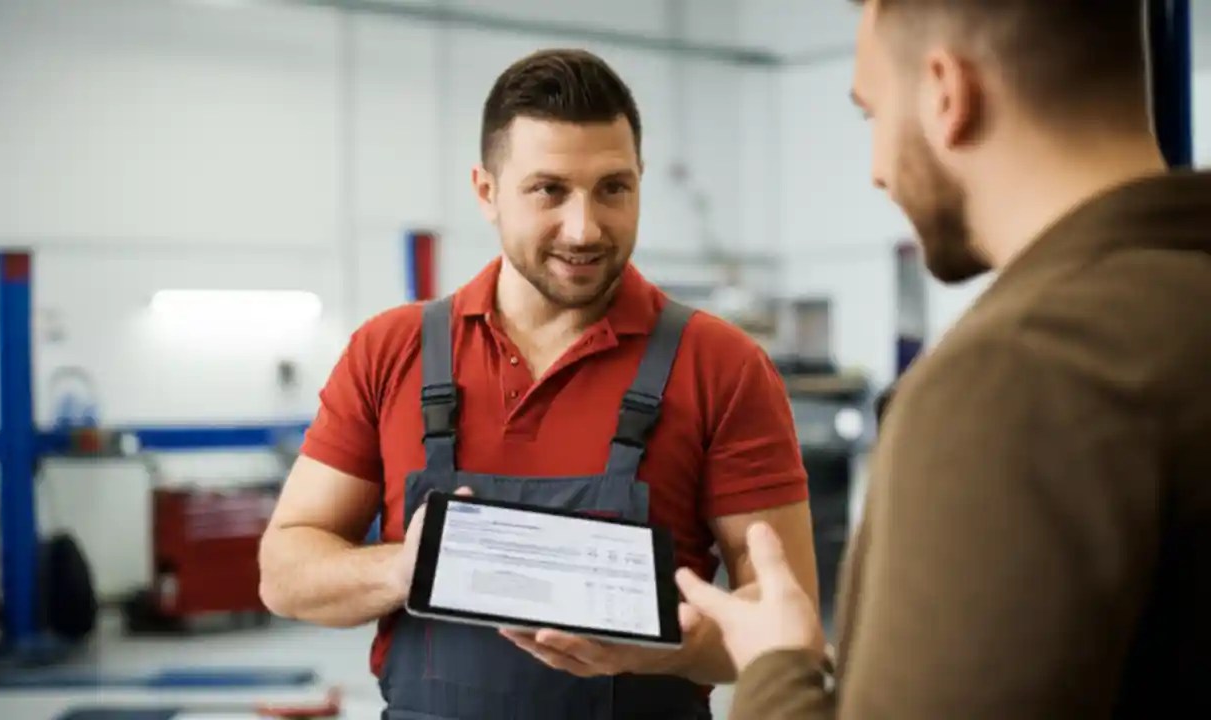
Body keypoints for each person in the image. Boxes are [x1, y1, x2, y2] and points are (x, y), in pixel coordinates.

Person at [676, 0, 1211, 718]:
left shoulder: (1016, 379)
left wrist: (776, 666)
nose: (874, 171)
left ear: (944, 93)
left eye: (872, 114)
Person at [258, 48, 820, 720]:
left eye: (613, 188)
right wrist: (404, 570)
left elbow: (790, 626)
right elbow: (285, 572)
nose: (584, 229)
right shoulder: (390, 351)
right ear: (487, 191)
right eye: (549, 189)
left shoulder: (720, 366)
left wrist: (660, 649)